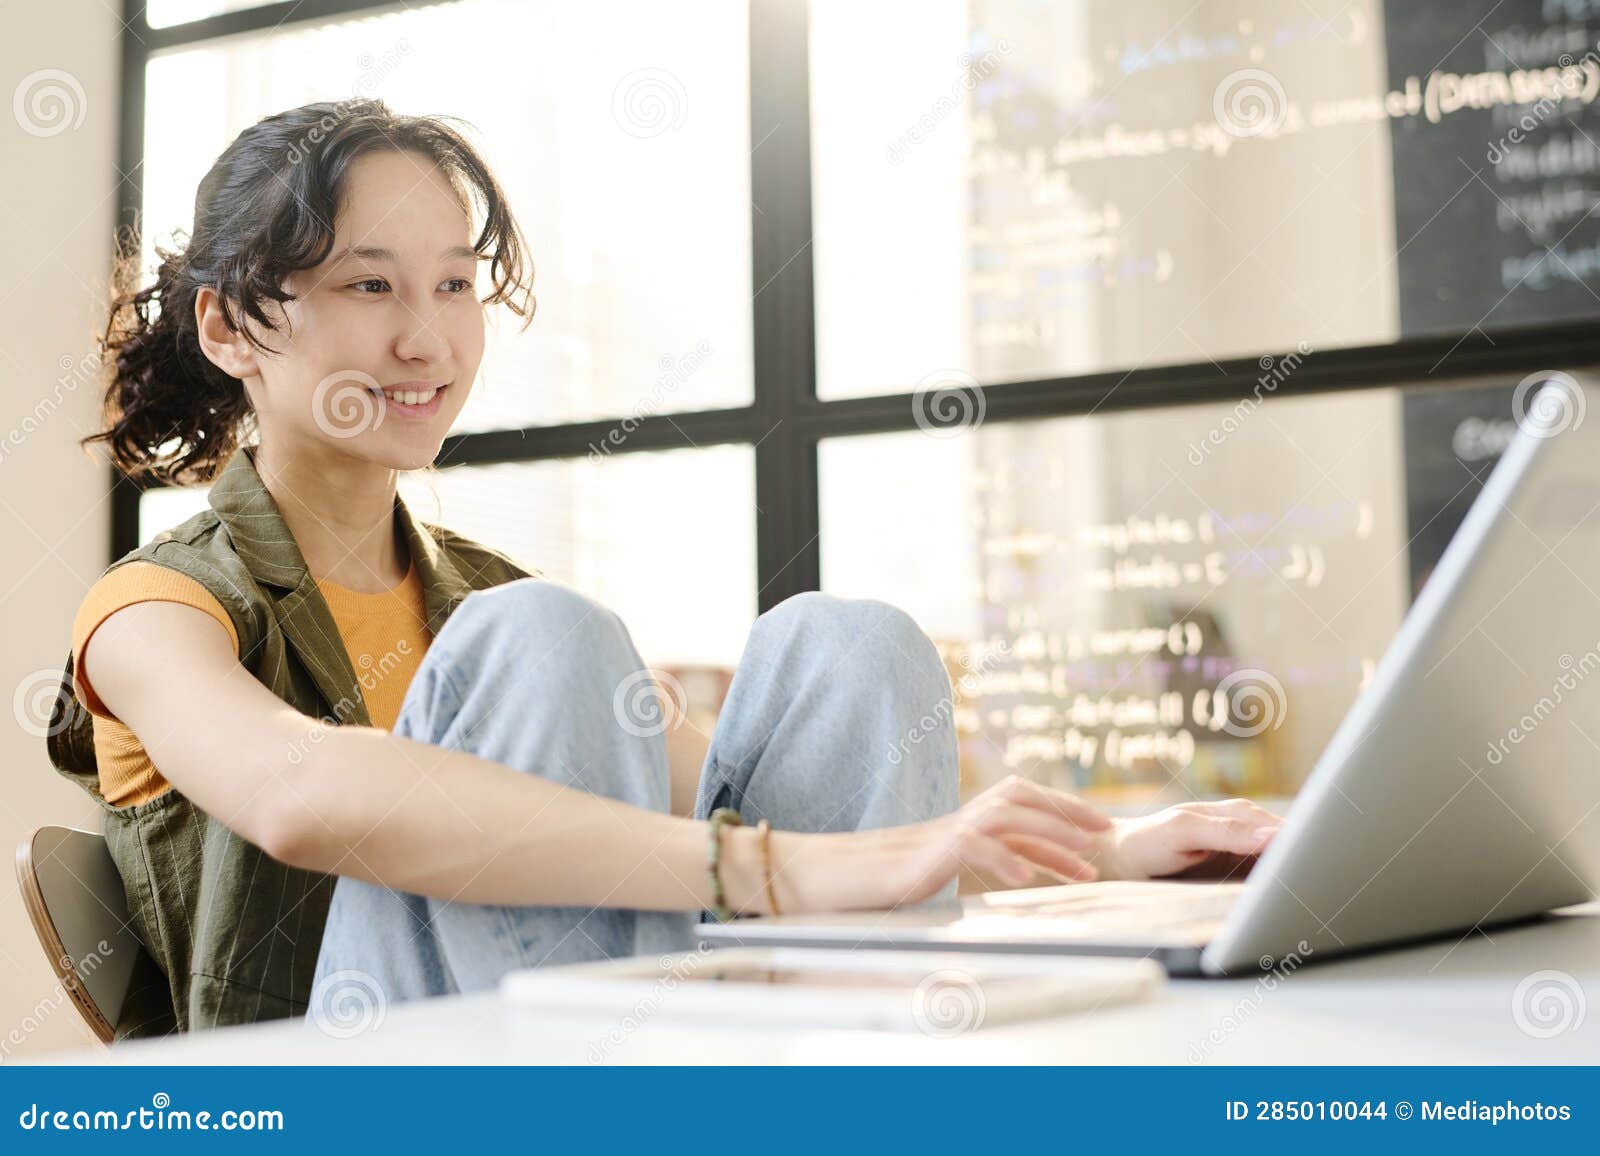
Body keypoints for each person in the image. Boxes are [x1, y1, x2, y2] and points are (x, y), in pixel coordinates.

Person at [45, 99, 1282, 1039]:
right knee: (544, 635)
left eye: (456, 286)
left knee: (849, 646)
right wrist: (764, 867)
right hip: (359, 1074)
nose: (426, 338)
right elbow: (296, 793)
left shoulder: (475, 595)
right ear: (226, 323)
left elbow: (722, 790)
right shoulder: (159, 610)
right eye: (371, 285)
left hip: (598, 1023)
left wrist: (1108, 850)